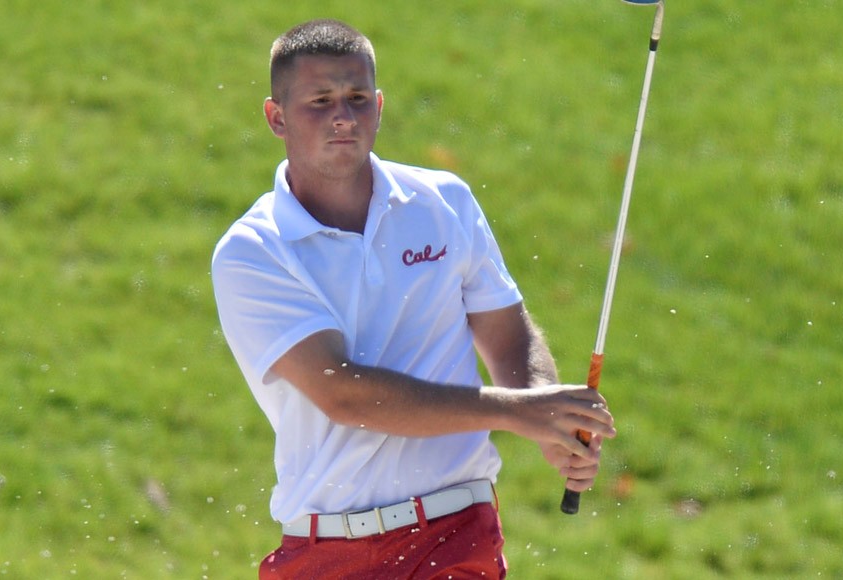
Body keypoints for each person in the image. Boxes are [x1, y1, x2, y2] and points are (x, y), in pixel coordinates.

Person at [211, 19, 616, 579]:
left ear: (379, 105)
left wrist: (547, 408)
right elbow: (343, 395)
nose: (342, 117)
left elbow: (505, 332)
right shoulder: (252, 251)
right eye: (320, 101)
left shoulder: (444, 202)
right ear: (276, 117)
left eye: (357, 99)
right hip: (328, 551)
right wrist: (518, 412)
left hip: (457, 534)